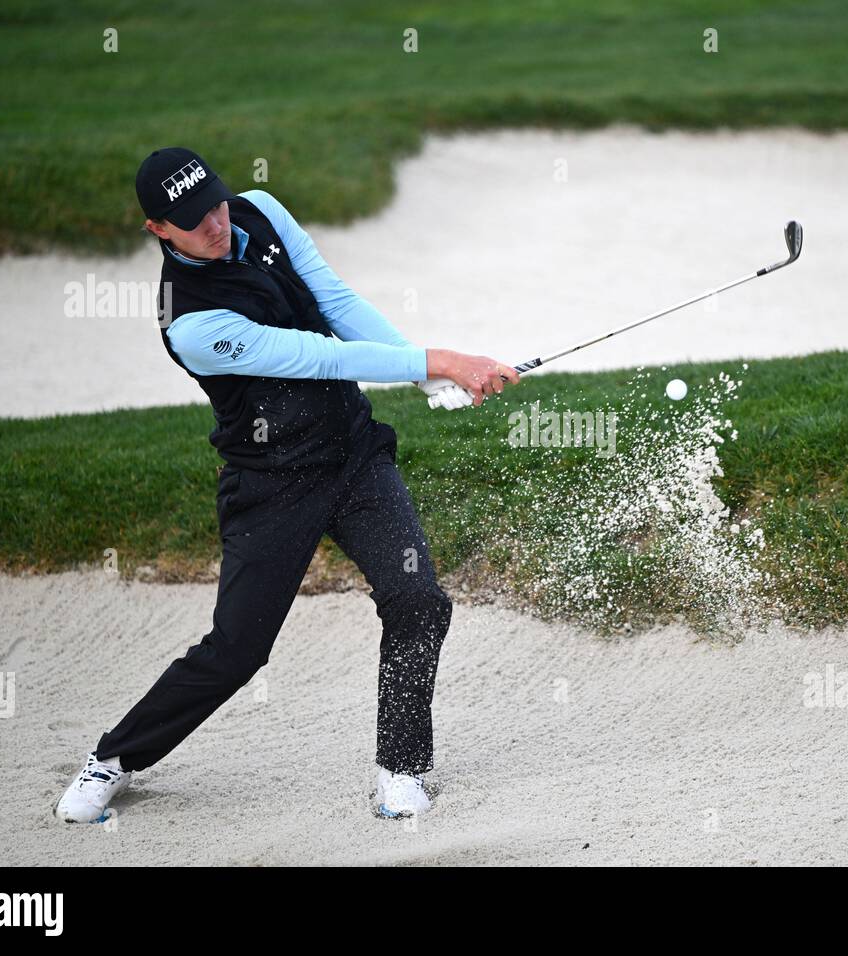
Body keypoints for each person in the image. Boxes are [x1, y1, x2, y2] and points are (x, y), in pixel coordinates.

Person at [54, 147, 518, 823]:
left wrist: (425, 376)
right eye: (192, 219)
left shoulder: (261, 210)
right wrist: (442, 357)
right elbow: (319, 355)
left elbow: (334, 303)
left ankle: (400, 767)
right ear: (158, 229)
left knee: (418, 600)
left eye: (214, 202)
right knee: (237, 652)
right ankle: (114, 760)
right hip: (271, 484)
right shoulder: (193, 324)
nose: (215, 223)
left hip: (354, 454)